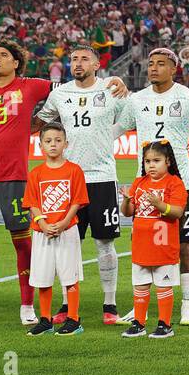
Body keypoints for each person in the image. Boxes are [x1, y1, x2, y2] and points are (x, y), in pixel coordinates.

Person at [0, 40, 125, 328]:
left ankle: (88, 305)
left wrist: (113, 80)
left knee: (87, 242)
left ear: (16, 62)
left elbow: (106, 104)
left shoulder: (35, 86)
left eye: (3, 55)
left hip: (72, 177)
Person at [114, 48, 189, 325]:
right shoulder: (137, 100)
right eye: (151, 64)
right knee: (143, 245)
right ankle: (140, 308)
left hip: (180, 183)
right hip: (144, 184)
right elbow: (117, 129)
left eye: (161, 64)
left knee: (184, 245)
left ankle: (187, 305)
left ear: (174, 68)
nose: (154, 68)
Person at [36, 45, 129, 326]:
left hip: (101, 178)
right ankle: (66, 304)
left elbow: (129, 116)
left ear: (96, 64)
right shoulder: (60, 94)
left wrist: (108, 135)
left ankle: (109, 304)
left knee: (105, 242)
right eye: (73, 59)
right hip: (68, 179)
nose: (77, 63)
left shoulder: (111, 90)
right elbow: (42, 121)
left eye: (84, 59)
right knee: (67, 245)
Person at [23, 123, 88, 337]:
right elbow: (32, 203)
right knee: (43, 277)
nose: (53, 145)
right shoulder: (36, 173)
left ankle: (74, 319)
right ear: (40, 145)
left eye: (58, 140)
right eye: (48, 141)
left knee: (70, 276)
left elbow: (77, 201)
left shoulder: (74, 170)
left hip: (67, 231)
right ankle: (45, 319)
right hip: (43, 232)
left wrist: (63, 223)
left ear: (66, 144)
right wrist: (42, 223)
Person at [120, 141, 187, 339]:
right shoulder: (139, 183)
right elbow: (128, 212)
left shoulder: (174, 183)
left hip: (163, 247)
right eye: (147, 161)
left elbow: (177, 212)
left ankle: (165, 324)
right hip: (141, 245)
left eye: (156, 160)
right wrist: (125, 200)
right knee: (140, 286)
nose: (151, 165)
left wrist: (160, 204)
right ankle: (139, 323)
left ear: (168, 161)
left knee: (163, 286)